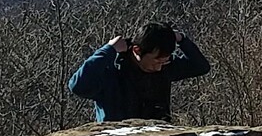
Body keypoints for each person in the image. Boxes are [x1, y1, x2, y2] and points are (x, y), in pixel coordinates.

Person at [68, 20, 209, 123]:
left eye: (163, 61)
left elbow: (201, 66)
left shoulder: (165, 66)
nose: (159, 67)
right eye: (156, 61)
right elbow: (78, 86)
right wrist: (108, 50)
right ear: (137, 50)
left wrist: (181, 39)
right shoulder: (112, 70)